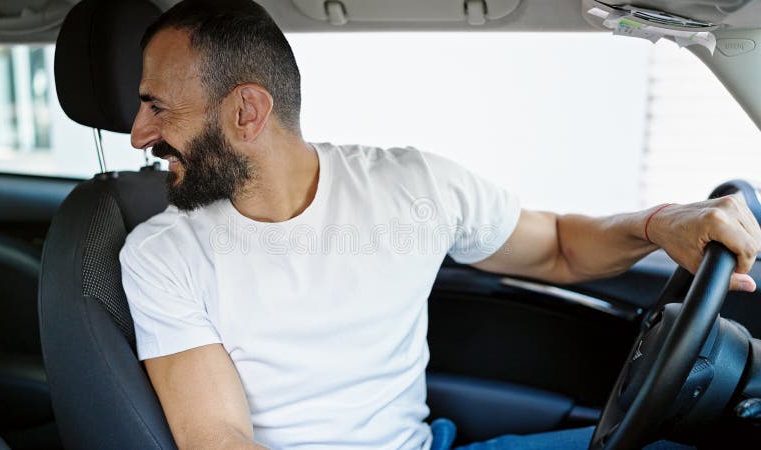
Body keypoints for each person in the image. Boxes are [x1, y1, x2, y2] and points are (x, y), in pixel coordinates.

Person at [119, 0, 761, 449]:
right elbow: (216, 438)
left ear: (247, 112)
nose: (139, 134)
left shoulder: (413, 186)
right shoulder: (162, 256)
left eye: (157, 107)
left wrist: (659, 222)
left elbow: (560, 247)